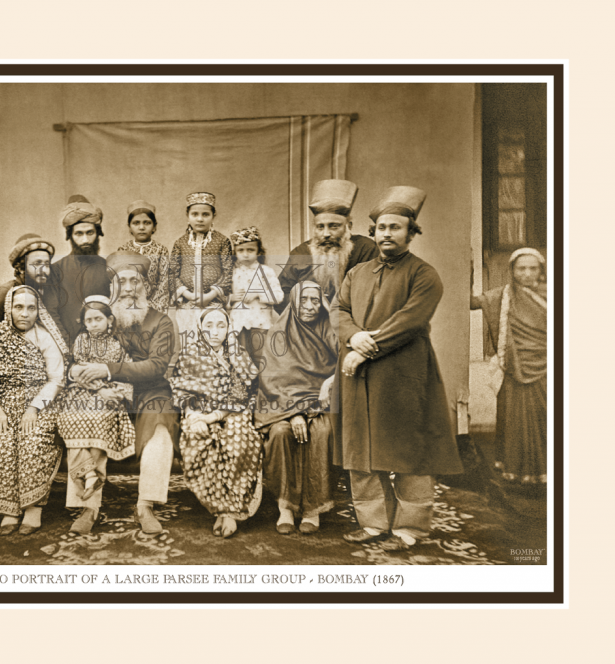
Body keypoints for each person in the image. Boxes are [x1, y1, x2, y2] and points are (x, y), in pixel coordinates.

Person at [332, 186, 462, 552]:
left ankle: (411, 527)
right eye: (381, 228)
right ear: (372, 233)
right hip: (359, 378)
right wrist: (354, 338)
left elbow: (411, 320)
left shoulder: (424, 275)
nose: (387, 233)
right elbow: (338, 312)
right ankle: (372, 523)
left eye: (396, 227)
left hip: (405, 376)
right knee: (360, 453)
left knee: (410, 453)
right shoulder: (356, 273)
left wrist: (365, 349)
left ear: (410, 232)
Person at [74, 251, 178, 534]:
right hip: (105, 391)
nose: (129, 288)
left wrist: (107, 368)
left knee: (160, 424)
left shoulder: (161, 322)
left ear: (145, 286)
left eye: (136, 281)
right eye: (123, 282)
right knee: (87, 414)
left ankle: (145, 504)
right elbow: (81, 358)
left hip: (149, 391)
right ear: (113, 288)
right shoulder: (103, 319)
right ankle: (88, 506)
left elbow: (157, 366)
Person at [171, 308, 262, 539]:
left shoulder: (238, 354)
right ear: (200, 327)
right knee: (198, 441)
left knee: (239, 439)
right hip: (199, 412)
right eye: (209, 325)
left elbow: (245, 392)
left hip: (233, 412)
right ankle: (218, 507)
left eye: (220, 325)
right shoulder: (190, 353)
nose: (214, 331)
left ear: (228, 327)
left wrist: (214, 417)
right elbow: (183, 390)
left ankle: (230, 511)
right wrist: (193, 417)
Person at [255, 281, 337, 535]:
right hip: (281, 407)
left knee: (322, 433)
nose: (310, 307)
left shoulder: (327, 328)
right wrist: (294, 413)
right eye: (304, 300)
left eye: (316, 301)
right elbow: (272, 379)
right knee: (280, 434)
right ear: (293, 302)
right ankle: (285, 507)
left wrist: (330, 313)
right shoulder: (278, 333)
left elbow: (342, 357)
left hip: (320, 405)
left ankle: (313, 508)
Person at [0, 285, 65, 536]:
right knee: (2, 441)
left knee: (33, 440)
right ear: (9, 308)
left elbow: (56, 379)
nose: (25, 314)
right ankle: (9, 509)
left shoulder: (44, 336)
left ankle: (33, 508)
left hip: (40, 401)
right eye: (18, 307)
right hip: (3, 402)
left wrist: (33, 408)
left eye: (31, 308)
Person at [58, 296, 136, 534]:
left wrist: (116, 393)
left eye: (97, 319)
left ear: (109, 320)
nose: (92, 324)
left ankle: (90, 492)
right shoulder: (81, 341)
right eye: (88, 320)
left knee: (99, 418)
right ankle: (90, 475)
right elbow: (78, 371)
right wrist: (98, 388)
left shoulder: (118, 344)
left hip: (109, 396)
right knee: (73, 417)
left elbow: (127, 372)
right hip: (82, 393)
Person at [471, 248, 547, 487]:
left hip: (547, 368)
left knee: (545, 416)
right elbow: (472, 302)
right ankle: (515, 468)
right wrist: (465, 268)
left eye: (532, 268)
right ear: (512, 271)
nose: (526, 273)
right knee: (515, 418)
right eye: (521, 268)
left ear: (541, 270)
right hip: (514, 368)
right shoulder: (502, 296)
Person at [278, 179, 378, 307]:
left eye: (334, 226)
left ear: (349, 226)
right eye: (320, 227)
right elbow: (281, 293)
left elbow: (376, 295)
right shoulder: (301, 252)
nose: (326, 234)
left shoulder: (366, 249)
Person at [166, 191, 234, 335]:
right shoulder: (180, 243)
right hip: (187, 305)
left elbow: (228, 272)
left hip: (213, 303)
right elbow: (172, 273)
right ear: (188, 216)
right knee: (189, 341)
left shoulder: (222, 241)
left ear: (213, 216)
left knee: (213, 338)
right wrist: (187, 294)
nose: (200, 219)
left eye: (205, 215)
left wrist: (210, 295)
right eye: (195, 214)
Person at [0, 234, 69, 351]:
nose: (44, 270)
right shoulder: (2, 295)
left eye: (47, 264)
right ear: (21, 267)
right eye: (37, 264)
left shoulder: (45, 295)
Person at [47, 196, 112, 344]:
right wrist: (68, 346)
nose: (85, 240)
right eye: (79, 234)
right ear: (70, 235)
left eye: (90, 233)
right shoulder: (55, 271)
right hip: (66, 345)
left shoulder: (109, 268)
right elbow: (52, 314)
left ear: (98, 233)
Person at [228, 225, 283, 372]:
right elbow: (223, 299)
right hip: (238, 323)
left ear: (258, 251)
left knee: (260, 356)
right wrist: (232, 298)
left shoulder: (266, 272)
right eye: (241, 250)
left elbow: (278, 296)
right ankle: (243, 389)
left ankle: (262, 389)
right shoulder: (232, 274)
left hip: (260, 323)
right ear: (235, 252)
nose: (245, 254)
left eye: (250, 250)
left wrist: (259, 294)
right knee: (239, 356)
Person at [116, 200, 171, 312]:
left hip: (153, 307)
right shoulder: (123, 250)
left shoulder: (161, 250)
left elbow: (164, 282)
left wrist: (153, 308)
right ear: (129, 227)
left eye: (147, 222)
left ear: (154, 226)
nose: (141, 227)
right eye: (136, 223)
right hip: (128, 306)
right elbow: (119, 282)